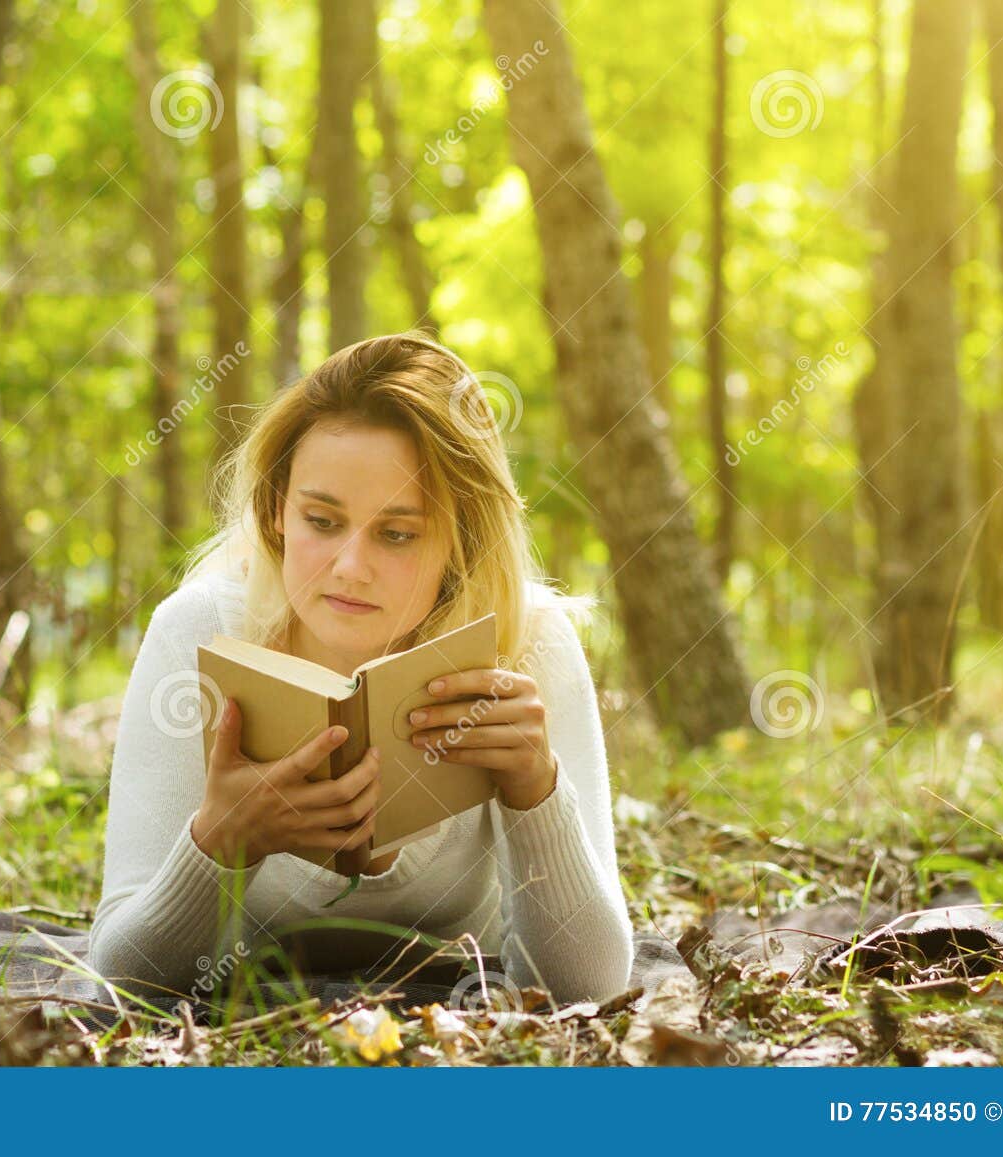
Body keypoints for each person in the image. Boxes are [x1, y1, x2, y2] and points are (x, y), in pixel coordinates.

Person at [89, 332, 634, 1005]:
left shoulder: (527, 644)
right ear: (276, 510)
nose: (350, 567)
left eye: (397, 533)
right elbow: (118, 978)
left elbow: (591, 986)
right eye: (322, 520)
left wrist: (535, 791)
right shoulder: (197, 635)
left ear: (460, 541)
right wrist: (219, 846)